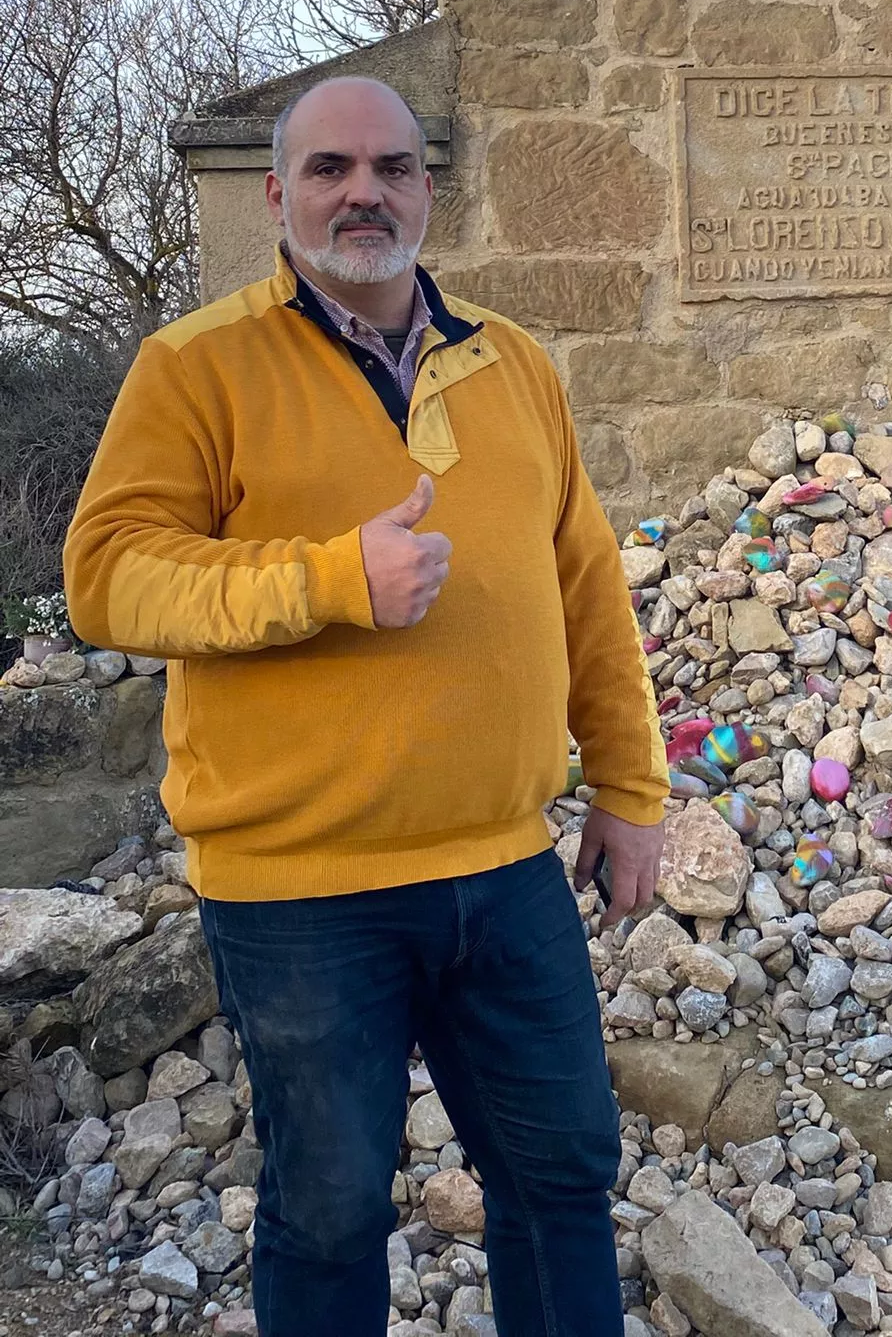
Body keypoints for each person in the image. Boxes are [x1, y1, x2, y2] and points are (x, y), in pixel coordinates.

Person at [65, 75, 668, 1337]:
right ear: (277, 193)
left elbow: (586, 588)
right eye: (330, 168)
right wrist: (329, 577)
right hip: (299, 892)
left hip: (505, 868)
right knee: (330, 1212)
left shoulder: (515, 363)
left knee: (559, 1179)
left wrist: (629, 787)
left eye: (392, 167)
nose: (363, 192)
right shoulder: (196, 366)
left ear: (428, 191)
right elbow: (107, 576)